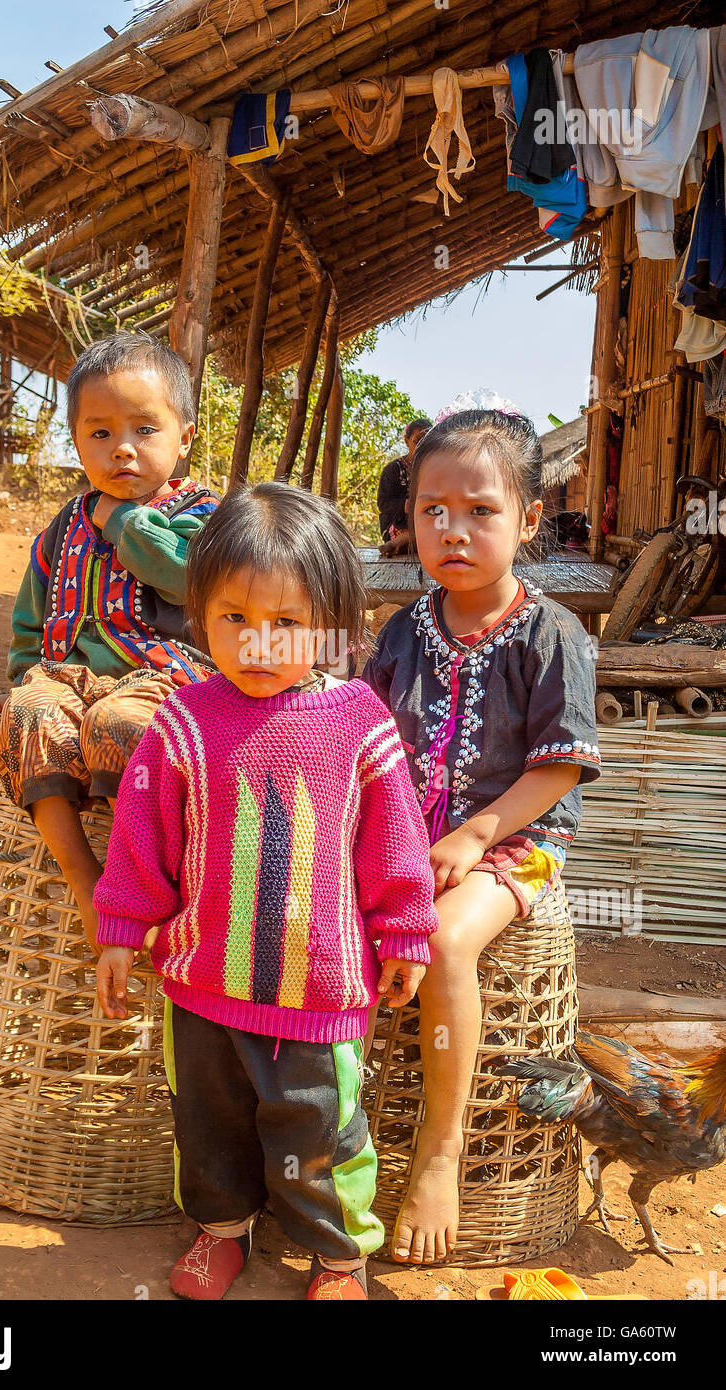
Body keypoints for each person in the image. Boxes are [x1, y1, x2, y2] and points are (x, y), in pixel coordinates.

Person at [93, 482, 438, 1301]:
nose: (257, 643)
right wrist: (119, 927)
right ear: (199, 615)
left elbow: (395, 841)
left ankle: (337, 1254)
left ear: (331, 621)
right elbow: (142, 839)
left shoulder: (358, 720)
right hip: (202, 985)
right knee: (208, 1125)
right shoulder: (183, 722)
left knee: (319, 1131)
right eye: (235, 619)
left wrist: (406, 934)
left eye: (286, 622)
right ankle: (222, 1229)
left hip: (317, 991)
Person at [361, 406, 600, 1265]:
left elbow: (560, 768)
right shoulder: (401, 631)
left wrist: (475, 835)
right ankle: (324, 1136)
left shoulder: (554, 635)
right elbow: (367, 741)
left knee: (443, 939)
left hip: (515, 841)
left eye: (480, 511)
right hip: (404, 835)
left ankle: (441, 1147)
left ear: (530, 519)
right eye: (432, 510)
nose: (452, 531)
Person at [0, 332, 218, 950]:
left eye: (145, 430)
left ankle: (150, 881)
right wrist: (21, 682)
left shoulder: (203, 518)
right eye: (100, 433)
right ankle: (86, 879)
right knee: (30, 711)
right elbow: (31, 623)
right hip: (66, 680)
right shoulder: (62, 529)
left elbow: (187, 580)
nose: (123, 451)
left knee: (118, 723)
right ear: (77, 440)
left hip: (164, 678)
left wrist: (125, 521)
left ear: (185, 434)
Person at [376, 416, 431, 551]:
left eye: (426, 441)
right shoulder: (393, 469)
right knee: (423, 540)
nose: (421, 446)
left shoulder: (433, 469)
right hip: (398, 525)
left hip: (426, 525)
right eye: (417, 441)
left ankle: (408, 541)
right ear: (407, 441)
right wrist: (407, 505)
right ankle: (401, 542)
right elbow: (383, 503)